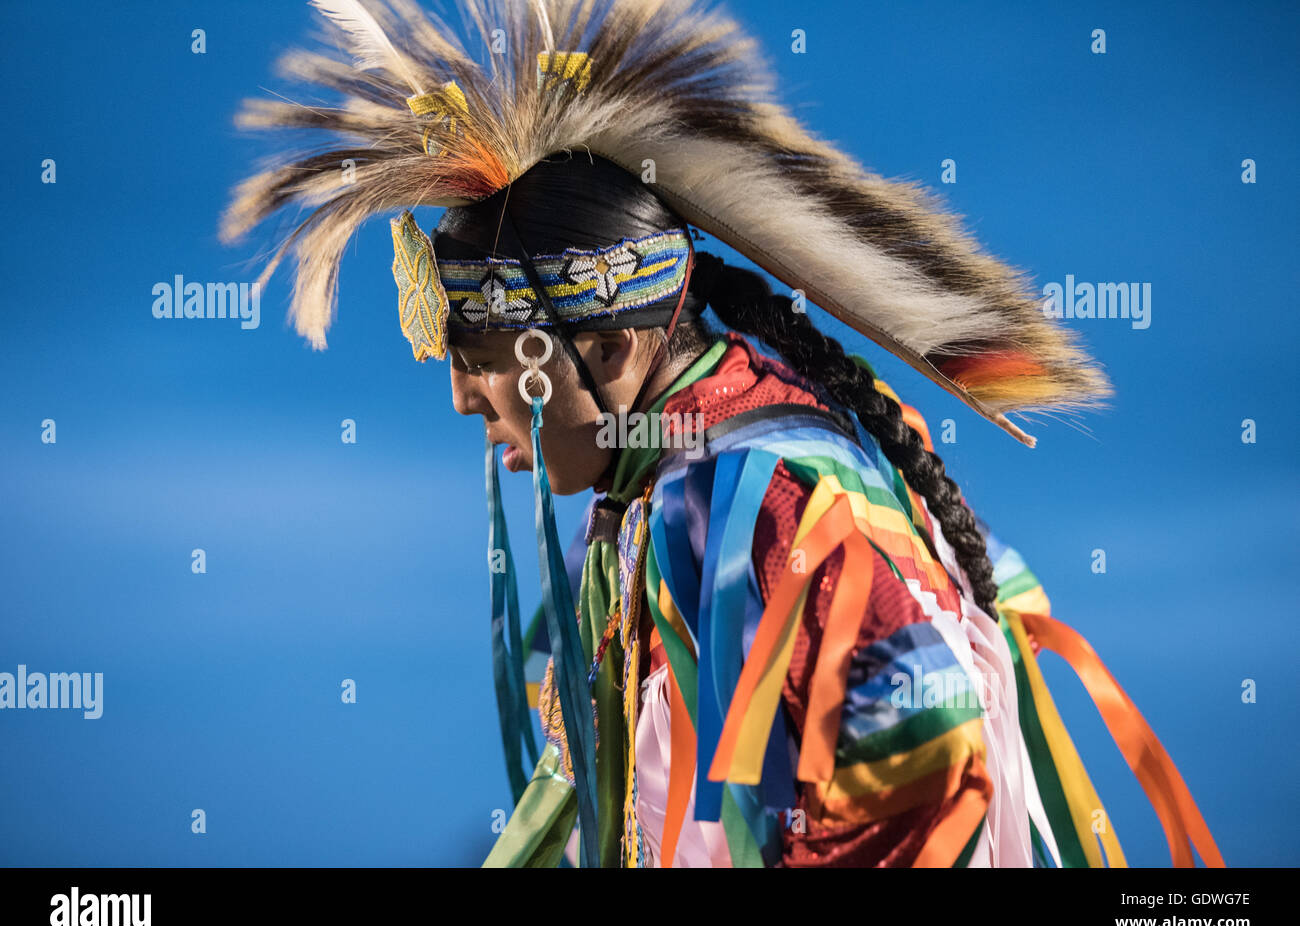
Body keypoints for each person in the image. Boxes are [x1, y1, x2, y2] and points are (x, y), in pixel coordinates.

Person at [221, 0, 1222, 868]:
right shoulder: (666, 491)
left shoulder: (766, 495)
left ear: (610, 354)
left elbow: (926, 739)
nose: (461, 400)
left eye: (480, 360)